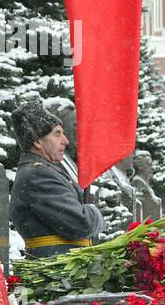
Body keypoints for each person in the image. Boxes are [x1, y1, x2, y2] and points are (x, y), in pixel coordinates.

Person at [9, 102, 104, 258]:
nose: (65, 140)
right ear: (38, 142)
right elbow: (81, 224)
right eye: (57, 133)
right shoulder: (38, 174)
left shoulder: (42, 170)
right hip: (57, 274)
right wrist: (93, 211)